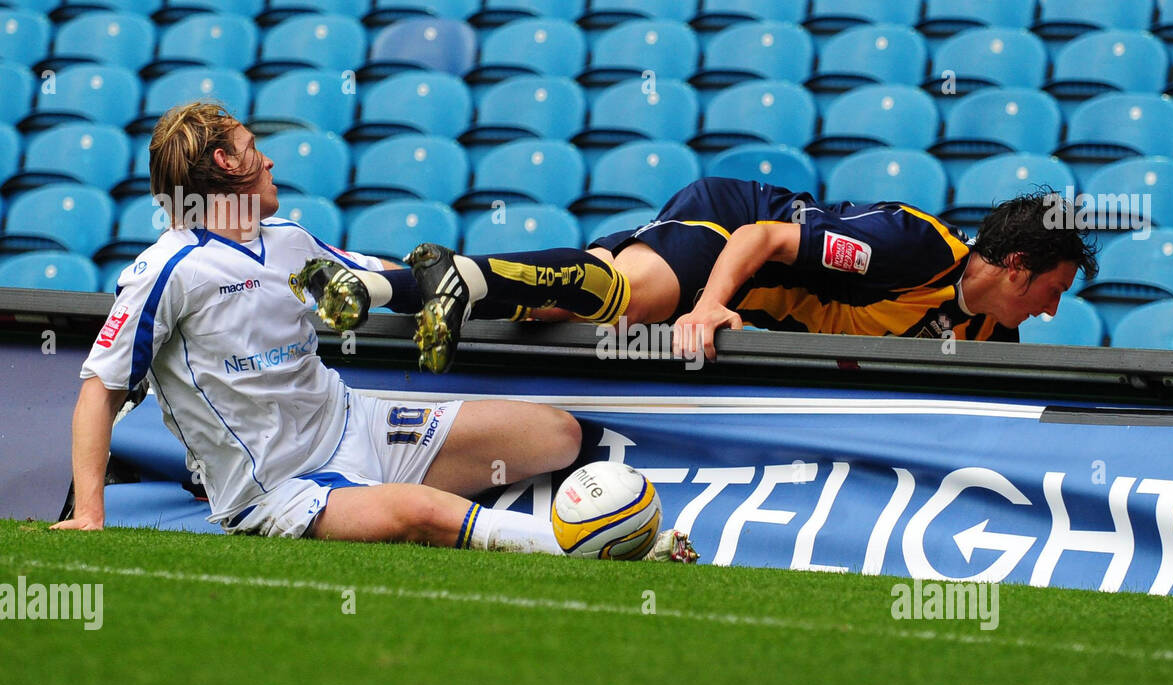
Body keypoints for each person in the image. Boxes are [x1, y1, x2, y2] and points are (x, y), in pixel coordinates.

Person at [50, 101, 698, 563]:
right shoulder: (165, 269)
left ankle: (553, 519)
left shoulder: (288, 241)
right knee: (419, 514)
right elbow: (98, 389)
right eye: (253, 146)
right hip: (280, 491)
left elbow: (394, 279)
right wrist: (89, 513)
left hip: (358, 422)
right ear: (224, 161)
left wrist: (507, 290)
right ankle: (609, 548)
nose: (270, 158)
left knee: (556, 433)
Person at [304, 177, 1097, 371]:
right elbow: (761, 238)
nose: (1055, 311)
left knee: (553, 311)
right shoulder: (914, 247)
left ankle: (374, 280)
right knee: (643, 299)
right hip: (726, 229)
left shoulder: (991, 332)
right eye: (1056, 289)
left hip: (722, 269)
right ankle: (455, 281)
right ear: (1019, 265)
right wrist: (712, 307)